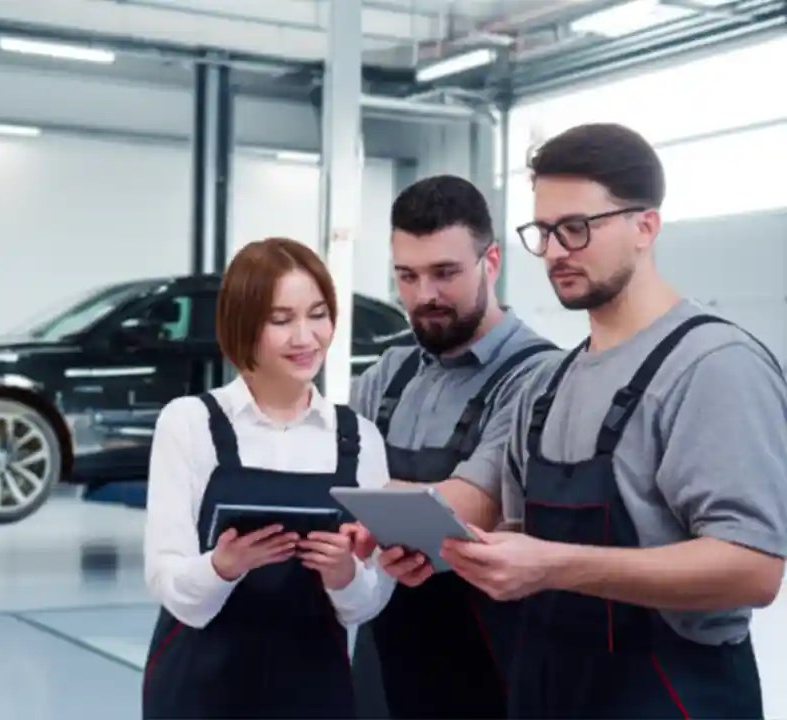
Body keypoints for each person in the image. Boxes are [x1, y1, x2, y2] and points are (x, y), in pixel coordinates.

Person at [390, 122, 787, 718]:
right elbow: (521, 539)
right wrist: (443, 554)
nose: (553, 251)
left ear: (644, 227)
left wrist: (554, 565)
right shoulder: (546, 385)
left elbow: (752, 569)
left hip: (670, 697)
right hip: (548, 691)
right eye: (543, 232)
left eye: (575, 229)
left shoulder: (712, 367)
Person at [141, 237, 395, 719]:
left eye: (318, 314)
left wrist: (344, 575)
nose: (306, 337)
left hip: (314, 690)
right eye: (282, 320)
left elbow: (367, 603)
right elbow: (167, 579)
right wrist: (223, 565)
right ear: (243, 326)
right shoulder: (190, 423)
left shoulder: (358, 439)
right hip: (199, 688)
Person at [346, 174, 559, 719]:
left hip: (487, 663)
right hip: (384, 653)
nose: (425, 296)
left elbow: (471, 506)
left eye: (445, 273)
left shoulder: (539, 376)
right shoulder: (390, 373)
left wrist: (359, 500)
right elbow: (325, 468)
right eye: (407, 276)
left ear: (491, 263)